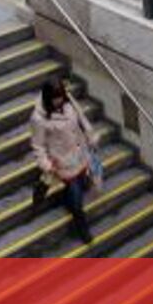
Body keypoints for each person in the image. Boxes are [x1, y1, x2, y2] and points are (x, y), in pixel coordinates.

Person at [30, 78, 97, 244]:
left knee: (82, 183)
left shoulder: (68, 101)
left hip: (79, 153)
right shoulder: (39, 118)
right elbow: (38, 145)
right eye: (55, 98)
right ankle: (82, 227)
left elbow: (81, 117)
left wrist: (90, 134)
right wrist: (45, 164)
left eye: (60, 96)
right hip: (62, 160)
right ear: (47, 97)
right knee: (76, 199)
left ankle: (54, 189)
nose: (59, 100)